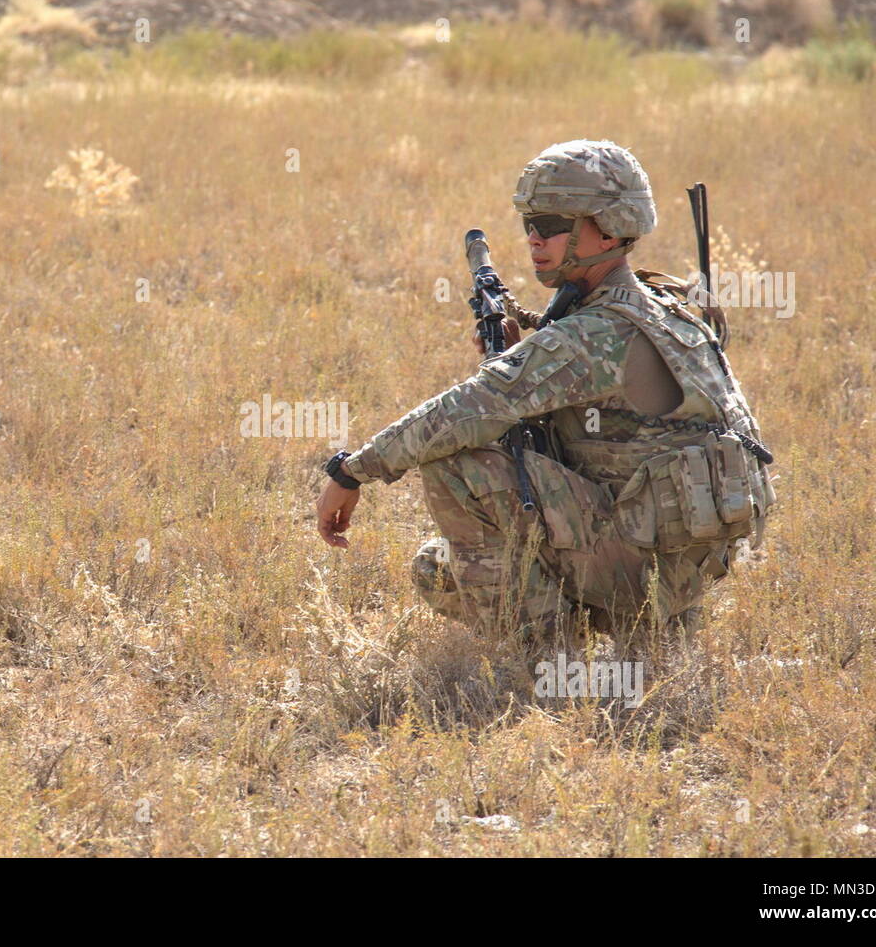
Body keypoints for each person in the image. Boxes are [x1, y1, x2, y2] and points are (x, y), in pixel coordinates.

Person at [314, 139, 775, 648]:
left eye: (554, 224)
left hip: (641, 571)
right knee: (437, 568)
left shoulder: (595, 332)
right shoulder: (675, 307)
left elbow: (465, 411)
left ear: (609, 228)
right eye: (529, 223)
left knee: (454, 464)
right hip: (683, 564)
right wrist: (524, 355)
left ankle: (546, 661)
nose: (535, 238)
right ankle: (646, 627)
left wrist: (350, 471)